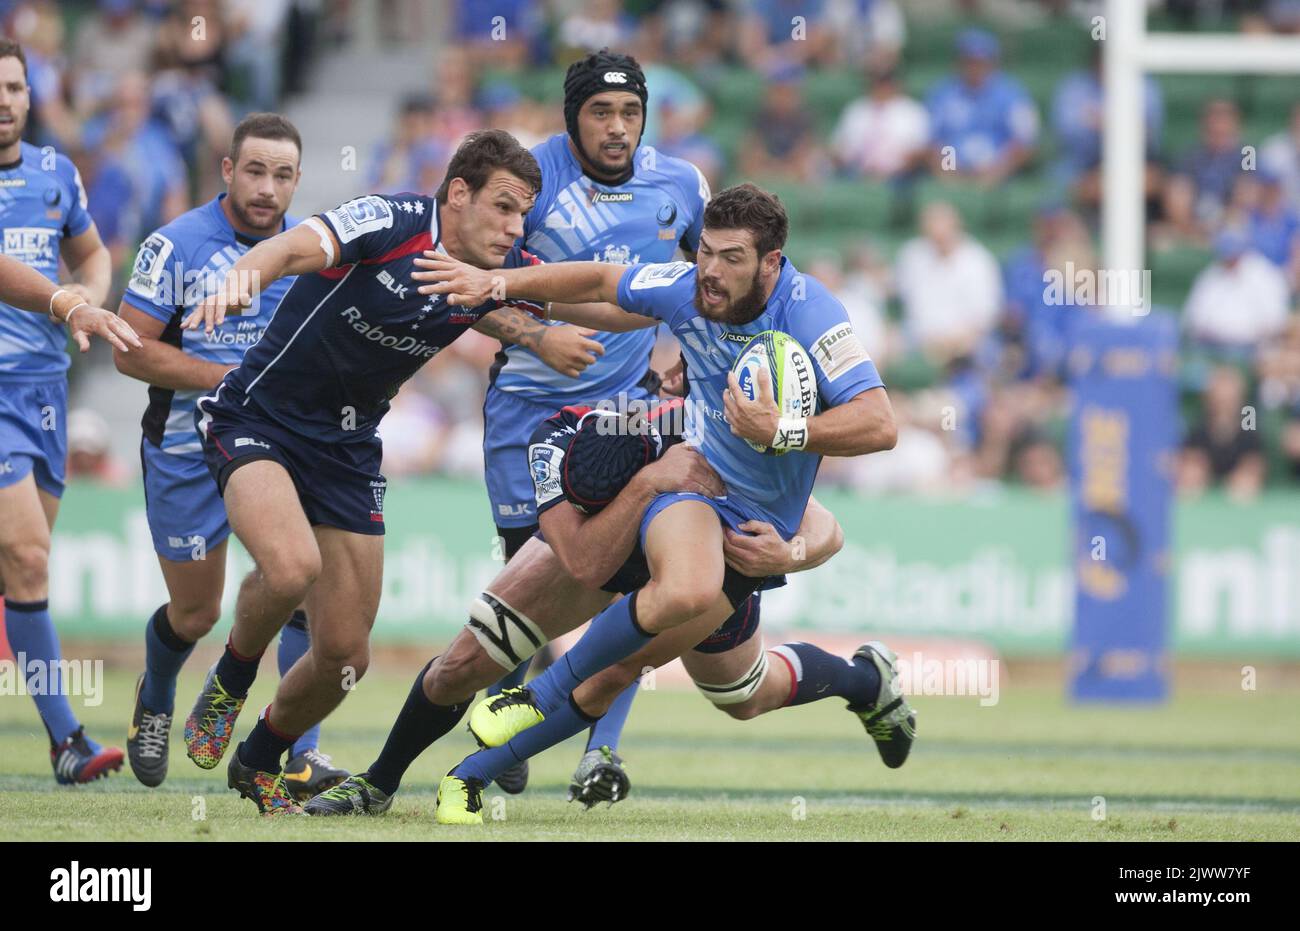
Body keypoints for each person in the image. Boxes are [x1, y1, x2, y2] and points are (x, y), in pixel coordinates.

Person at [413, 182, 912, 824]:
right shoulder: (686, 289)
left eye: (731, 257)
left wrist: (785, 437)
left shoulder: (812, 313)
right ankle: (502, 736)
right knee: (673, 599)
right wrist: (497, 285)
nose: (710, 269)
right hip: (691, 487)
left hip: (754, 534)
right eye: (705, 250)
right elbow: (598, 278)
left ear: (771, 261)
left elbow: (881, 424)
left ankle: (865, 682)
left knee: (734, 692)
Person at [178, 129, 610, 815]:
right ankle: (232, 674)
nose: (514, 226)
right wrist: (243, 277)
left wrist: (658, 304)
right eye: (503, 207)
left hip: (347, 452)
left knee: (346, 659)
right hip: (260, 418)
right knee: (291, 569)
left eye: (522, 212)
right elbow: (293, 246)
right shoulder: (392, 221)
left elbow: (591, 300)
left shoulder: (491, 271)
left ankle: (259, 758)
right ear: (458, 193)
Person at [303, 399, 844, 816]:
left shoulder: (709, 437)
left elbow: (825, 528)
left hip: (704, 558)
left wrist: (789, 551)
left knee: (733, 693)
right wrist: (646, 487)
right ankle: (378, 783)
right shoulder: (556, 442)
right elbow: (585, 564)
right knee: (461, 666)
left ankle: (470, 776)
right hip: (598, 544)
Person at [480, 48, 716, 797]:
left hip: (621, 412)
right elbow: (470, 283)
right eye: (601, 113)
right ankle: (504, 716)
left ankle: (600, 750)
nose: (618, 129)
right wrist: (535, 332)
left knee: (629, 582)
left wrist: (691, 356)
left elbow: (722, 284)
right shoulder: (529, 180)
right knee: (529, 580)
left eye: (631, 113)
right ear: (571, 117)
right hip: (525, 406)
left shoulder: (680, 184)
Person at [112, 112, 347, 799]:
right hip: (187, 447)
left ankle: (296, 752)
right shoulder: (177, 244)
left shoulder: (311, 252)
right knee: (196, 613)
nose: (267, 188)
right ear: (226, 169)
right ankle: (156, 694)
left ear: (297, 180)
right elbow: (130, 350)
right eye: (254, 170)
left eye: (282, 175)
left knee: (298, 582)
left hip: (277, 448)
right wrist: (227, 379)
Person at [0, 38, 133, 784]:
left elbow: (90, 254)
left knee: (21, 566)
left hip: (46, 392)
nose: (4, 100)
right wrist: (58, 296)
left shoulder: (56, 174)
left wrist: (88, 292)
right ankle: (66, 738)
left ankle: (60, 738)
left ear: (29, 94)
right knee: (25, 556)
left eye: (14, 87)